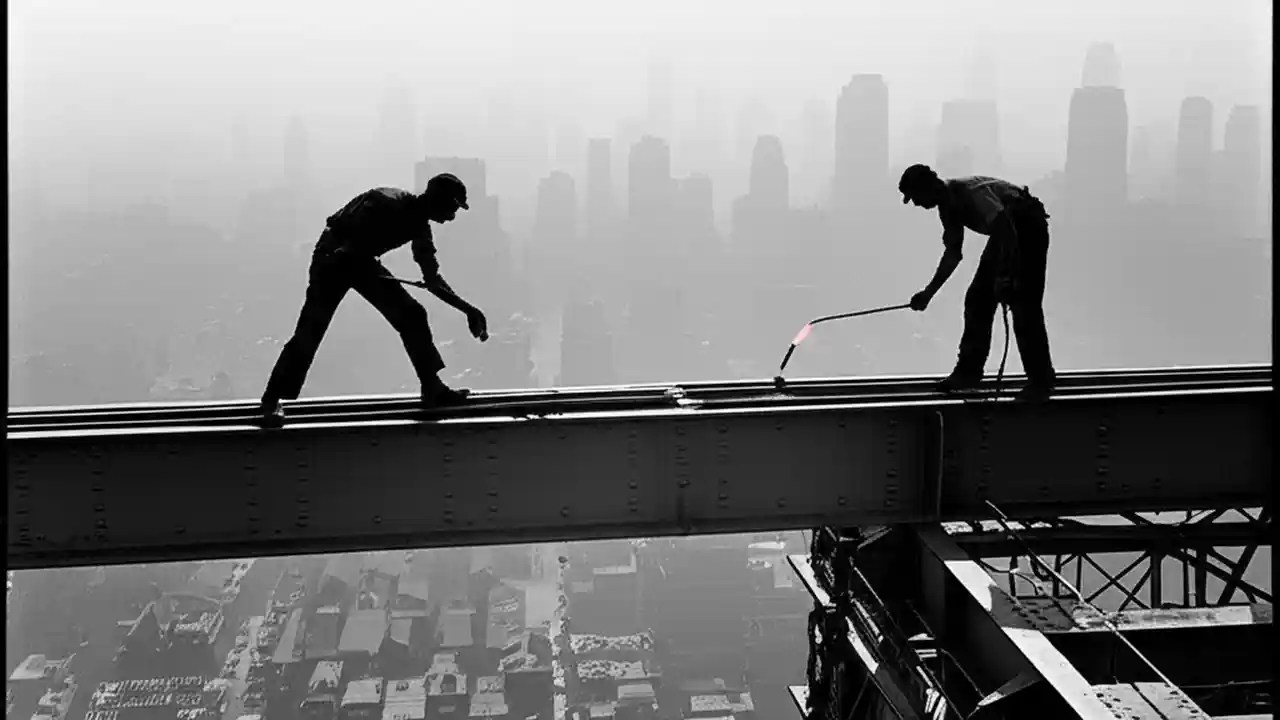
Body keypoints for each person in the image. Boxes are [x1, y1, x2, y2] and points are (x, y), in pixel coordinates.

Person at [258, 173, 488, 427]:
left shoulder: (420, 226)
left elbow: (432, 279)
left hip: (359, 261)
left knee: (412, 315)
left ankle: (432, 388)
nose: (453, 217)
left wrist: (467, 309)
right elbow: (352, 230)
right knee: (310, 332)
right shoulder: (387, 201)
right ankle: (272, 400)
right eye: (453, 208)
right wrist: (346, 252)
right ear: (440, 200)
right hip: (331, 259)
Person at [899, 164, 1055, 401]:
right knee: (978, 300)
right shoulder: (948, 207)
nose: (917, 204)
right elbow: (953, 254)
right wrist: (928, 293)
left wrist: (1005, 275)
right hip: (1007, 233)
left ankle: (1041, 381)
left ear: (928, 187)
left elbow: (1006, 229)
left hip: (1027, 226)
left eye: (916, 197)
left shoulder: (969, 193)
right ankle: (968, 373)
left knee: (1024, 304)